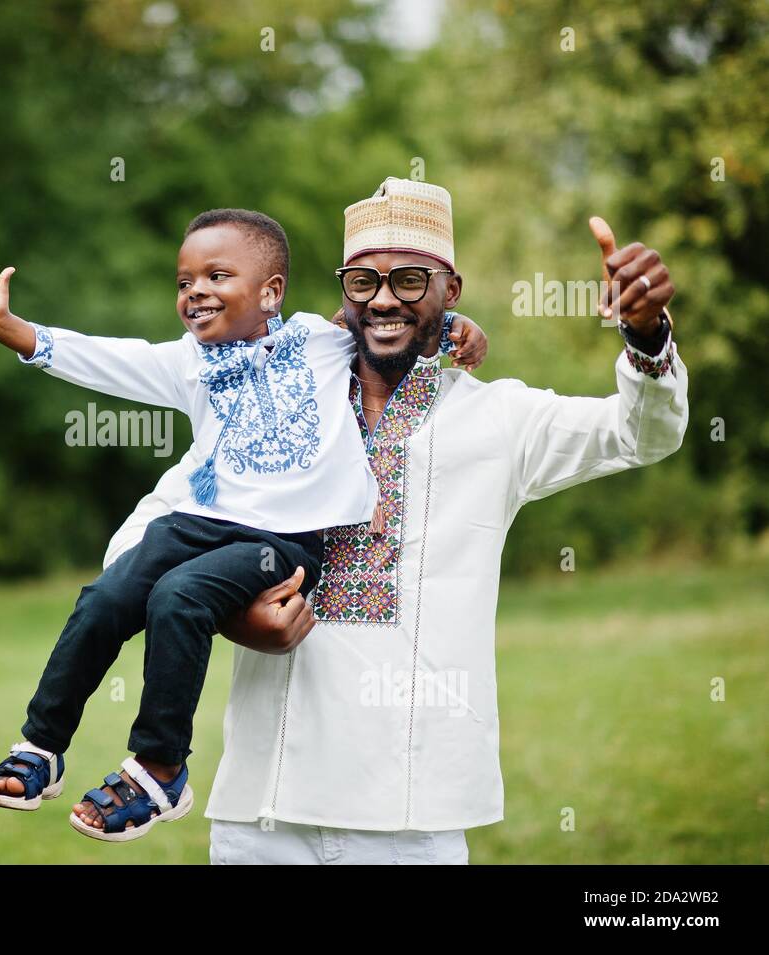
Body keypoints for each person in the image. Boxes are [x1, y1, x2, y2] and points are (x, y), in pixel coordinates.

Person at [104, 177, 688, 863]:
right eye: (363, 280)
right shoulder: (276, 411)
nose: (383, 298)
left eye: (410, 279)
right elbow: (136, 541)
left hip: (415, 816)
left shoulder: (498, 418)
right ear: (342, 291)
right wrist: (229, 613)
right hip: (263, 809)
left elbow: (642, 433)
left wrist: (645, 334)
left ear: (451, 289)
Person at [0, 208, 488, 841]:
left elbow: (389, 315)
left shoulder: (321, 340)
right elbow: (103, 358)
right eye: (184, 282)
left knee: (179, 600)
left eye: (216, 275)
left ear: (270, 292)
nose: (195, 291)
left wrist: (457, 326)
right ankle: (39, 749)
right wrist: (9, 327)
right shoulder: (189, 362)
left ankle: (159, 767)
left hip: (279, 543)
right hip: (193, 522)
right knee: (105, 598)